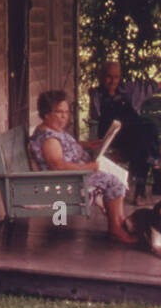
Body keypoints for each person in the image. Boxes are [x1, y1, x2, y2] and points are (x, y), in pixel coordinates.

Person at [30, 90, 137, 244]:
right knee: (112, 181)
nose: (64, 117)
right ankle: (116, 228)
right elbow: (58, 166)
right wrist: (88, 167)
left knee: (115, 174)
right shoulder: (49, 139)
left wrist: (89, 145)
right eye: (59, 112)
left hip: (74, 174)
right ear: (46, 113)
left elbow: (66, 147)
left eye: (66, 112)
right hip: (64, 182)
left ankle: (118, 221)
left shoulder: (53, 129)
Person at [88, 61, 161, 202]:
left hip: (135, 135)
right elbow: (97, 119)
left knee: (144, 135)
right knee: (147, 130)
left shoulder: (129, 90)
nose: (113, 81)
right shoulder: (96, 95)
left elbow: (159, 84)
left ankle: (141, 189)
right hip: (114, 136)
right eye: (109, 77)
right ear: (101, 76)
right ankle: (156, 180)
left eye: (116, 77)